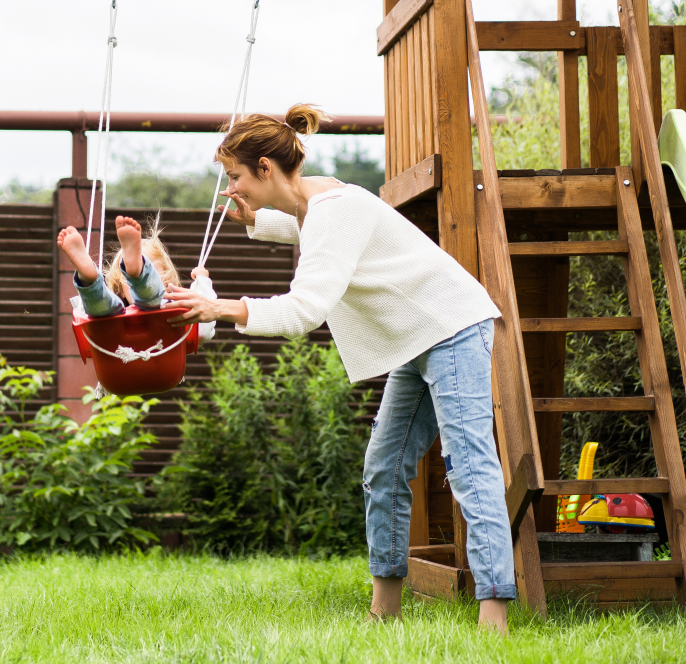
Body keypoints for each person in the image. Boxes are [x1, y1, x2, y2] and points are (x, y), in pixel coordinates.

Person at [164, 103, 513, 635]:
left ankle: (495, 617)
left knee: (468, 464)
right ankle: (385, 612)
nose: (230, 188)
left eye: (235, 177)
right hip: (414, 340)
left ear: (264, 167)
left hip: (452, 326)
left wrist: (223, 307)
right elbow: (306, 225)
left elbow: (305, 309)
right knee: (384, 467)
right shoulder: (314, 197)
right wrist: (257, 221)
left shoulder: (332, 209)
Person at [58, 215, 216, 342]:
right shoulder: (116, 313)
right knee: (101, 312)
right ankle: (89, 279)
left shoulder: (175, 313)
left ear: (167, 281)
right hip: (114, 328)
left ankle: (90, 282)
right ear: (120, 289)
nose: (134, 286)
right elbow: (206, 329)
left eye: (151, 271)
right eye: (130, 279)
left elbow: (205, 313)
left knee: (104, 308)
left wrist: (202, 281)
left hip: (115, 356)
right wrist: (203, 283)